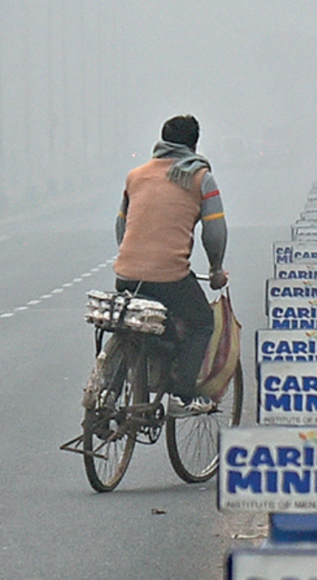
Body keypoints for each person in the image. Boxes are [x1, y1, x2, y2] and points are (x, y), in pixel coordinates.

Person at [113, 115, 228, 417]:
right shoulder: (201, 177)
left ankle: (108, 399)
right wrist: (216, 271)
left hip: (125, 275)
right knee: (202, 323)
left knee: (136, 325)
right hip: (169, 277)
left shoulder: (135, 176)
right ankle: (182, 396)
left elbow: (121, 227)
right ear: (193, 144)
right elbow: (214, 232)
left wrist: (134, 261)